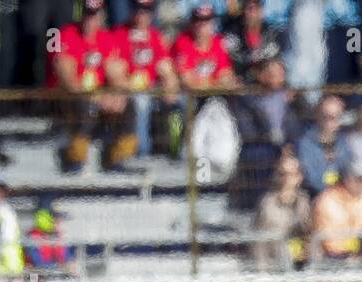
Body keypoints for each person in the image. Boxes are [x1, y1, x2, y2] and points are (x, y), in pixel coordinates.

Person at [48, 0, 136, 172]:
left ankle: (117, 158)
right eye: (87, 14)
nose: (90, 20)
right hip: (65, 95)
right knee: (85, 105)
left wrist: (117, 95)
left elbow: (117, 75)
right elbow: (67, 79)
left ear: (102, 16)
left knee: (128, 104)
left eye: (95, 15)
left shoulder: (106, 38)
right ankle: (75, 159)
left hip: (96, 94)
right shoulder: (63, 35)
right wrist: (98, 97)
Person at [227, 50, 302, 210]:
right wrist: (277, 146)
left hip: (288, 146)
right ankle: (258, 206)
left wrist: (288, 145)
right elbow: (247, 132)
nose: (277, 76)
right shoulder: (246, 100)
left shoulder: (292, 99)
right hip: (260, 146)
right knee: (259, 156)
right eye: (271, 72)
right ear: (260, 75)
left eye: (280, 72)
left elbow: (300, 125)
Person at [115, 0, 176, 156]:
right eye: (138, 9)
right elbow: (116, 72)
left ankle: (176, 151)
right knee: (141, 102)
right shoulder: (120, 34)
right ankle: (142, 153)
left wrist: (170, 86)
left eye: (146, 10)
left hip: (152, 87)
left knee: (180, 99)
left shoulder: (155, 36)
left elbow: (166, 68)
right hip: (128, 88)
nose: (141, 14)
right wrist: (130, 84)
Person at [311, 158, 362, 260]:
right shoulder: (328, 201)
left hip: (360, 257)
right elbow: (330, 245)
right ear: (347, 180)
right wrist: (352, 255)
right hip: (332, 259)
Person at [252, 150, 311, 270]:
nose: (287, 179)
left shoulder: (304, 202)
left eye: (292, 174)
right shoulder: (267, 204)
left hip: (300, 265)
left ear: (299, 177)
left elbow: (308, 235)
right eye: (282, 174)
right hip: (273, 266)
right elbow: (258, 241)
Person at [172, 4, 236, 91]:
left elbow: (226, 76)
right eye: (197, 20)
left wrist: (206, 83)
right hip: (187, 95)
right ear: (191, 23)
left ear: (212, 23)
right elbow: (188, 81)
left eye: (206, 20)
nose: (201, 24)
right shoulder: (183, 41)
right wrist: (215, 82)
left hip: (214, 94)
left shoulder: (218, 42)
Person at [222, 0, 286, 81]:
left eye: (256, 8)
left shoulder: (272, 34)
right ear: (243, 11)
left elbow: (275, 61)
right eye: (249, 8)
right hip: (240, 86)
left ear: (262, 11)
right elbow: (232, 65)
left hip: (267, 86)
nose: (252, 13)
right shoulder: (232, 35)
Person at [296, 93, 345, 195]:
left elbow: (349, 173)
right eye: (326, 116)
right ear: (317, 115)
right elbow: (314, 181)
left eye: (335, 117)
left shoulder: (344, 143)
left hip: (342, 198)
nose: (329, 121)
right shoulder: (305, 144)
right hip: (315, 198)